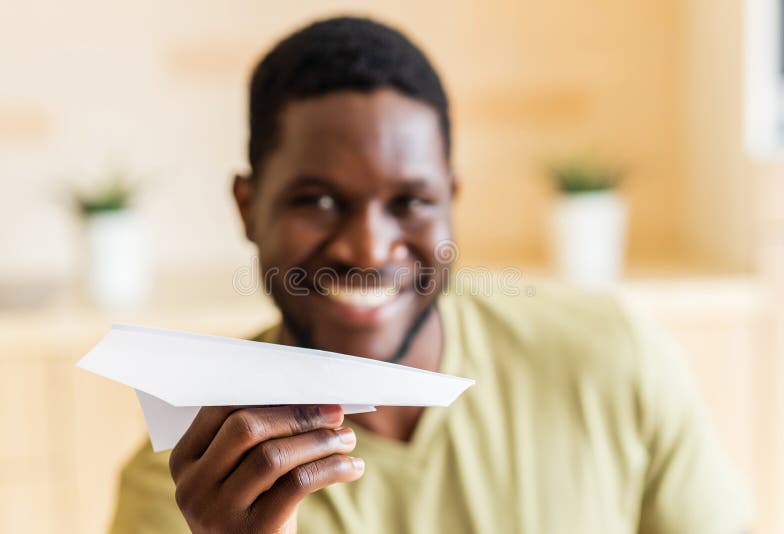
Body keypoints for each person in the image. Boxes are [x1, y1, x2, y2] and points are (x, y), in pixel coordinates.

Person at [110, 16, 751, 534]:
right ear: (249, 208)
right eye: (318, 199)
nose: (368, 247)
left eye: (410, 202)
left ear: (452, 201)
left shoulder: (609, 358)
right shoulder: (194, 481)